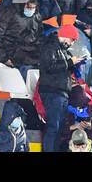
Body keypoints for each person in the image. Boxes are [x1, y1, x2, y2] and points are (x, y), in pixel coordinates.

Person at [38, 23, 81, 152]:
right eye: (72, 40)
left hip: (61, 93)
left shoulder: (62, 50)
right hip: (52, 92)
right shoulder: (50, 46)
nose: (72, 44)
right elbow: (49, 67)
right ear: (65, 36)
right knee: (53, 127)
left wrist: (73, 64)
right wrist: (69, 62)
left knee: (59, 128)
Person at [0, 0, 43, 69]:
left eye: (33, 8)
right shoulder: (9, 13)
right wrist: (4, 58)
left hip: (30, 54)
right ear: (23, 4)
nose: (30, 10)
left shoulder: (37, 16)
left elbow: (39, 37)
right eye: (28, 7)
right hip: (12, 53)